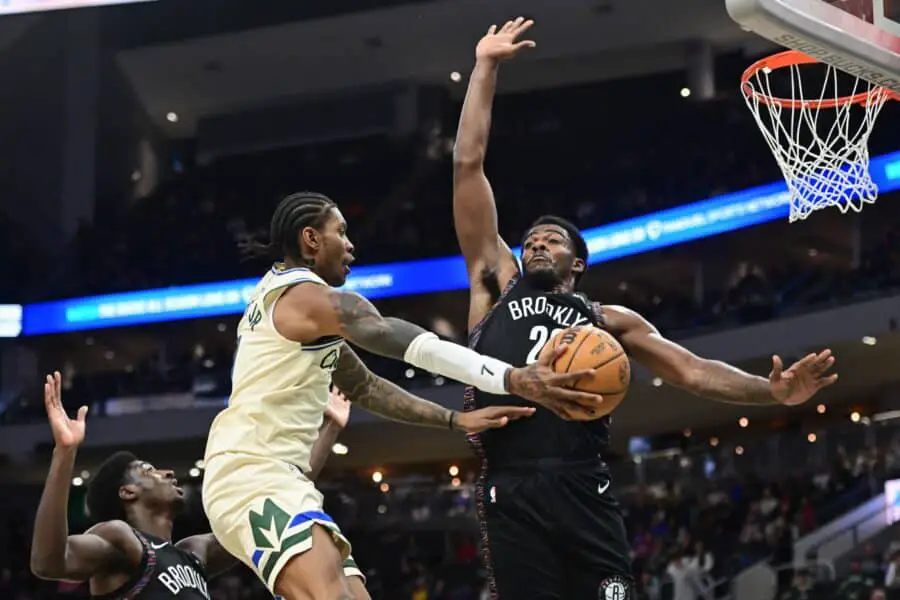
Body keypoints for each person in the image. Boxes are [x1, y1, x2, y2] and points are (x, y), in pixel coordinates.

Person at [451, 17, 840, 600]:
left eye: (552, 240)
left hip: (584, 485)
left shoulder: (609, 320)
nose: (536, 243)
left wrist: (771, 391)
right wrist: (484, 68)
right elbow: (468, 166)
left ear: (577, 264)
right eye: (531, 238)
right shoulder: (494, 282)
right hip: (513, 487)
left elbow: (692, 370)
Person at [201, 191, 606, 600]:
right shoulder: (304, 298)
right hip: (250, 474)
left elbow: (366, 387)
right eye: (341, 232)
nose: (351, 245)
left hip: (279, 478)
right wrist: (509, 377)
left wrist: (453, 419)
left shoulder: (291, 304)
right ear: (311, 239)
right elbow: (382, 332)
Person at [29, 372, 359, 599]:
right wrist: (65, 453)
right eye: (147, 470)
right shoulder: (121, 540)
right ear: (128, 493)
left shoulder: (194, 552)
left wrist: (328, 429)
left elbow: (282, 500)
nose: (167, 473)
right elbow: (48, 562)